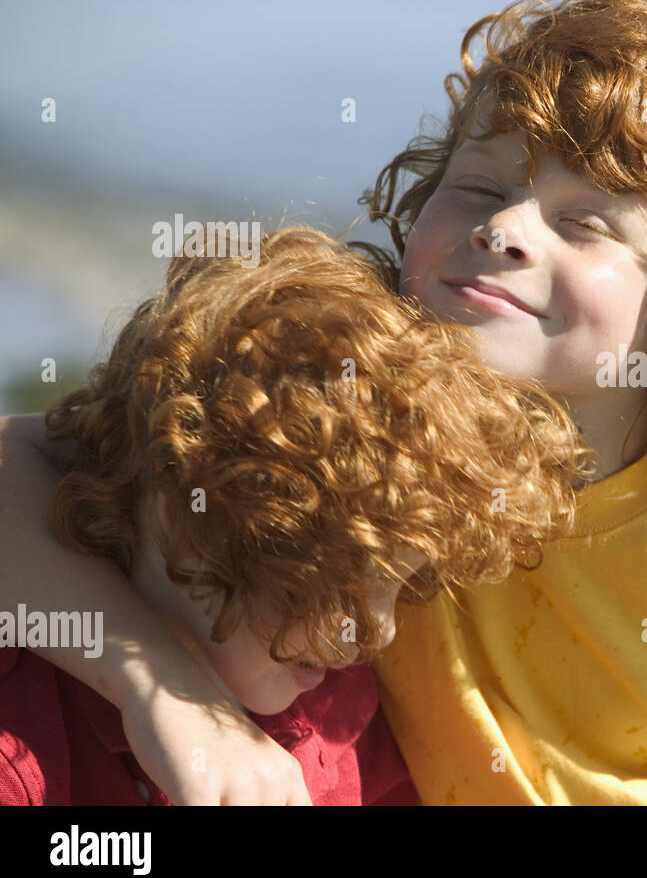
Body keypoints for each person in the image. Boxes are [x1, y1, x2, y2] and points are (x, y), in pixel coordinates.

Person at [0, 0, 647, 805]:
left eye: (587, 222)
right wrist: (168, 694)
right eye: (478, 190)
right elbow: (27, 465)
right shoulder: (356, 427)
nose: (506, 229)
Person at [0, 226, 587, 804]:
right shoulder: (27, 746)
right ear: (185, 517)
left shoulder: (336, 709)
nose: (379, 631)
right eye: (345, 583)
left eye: (400, 586)